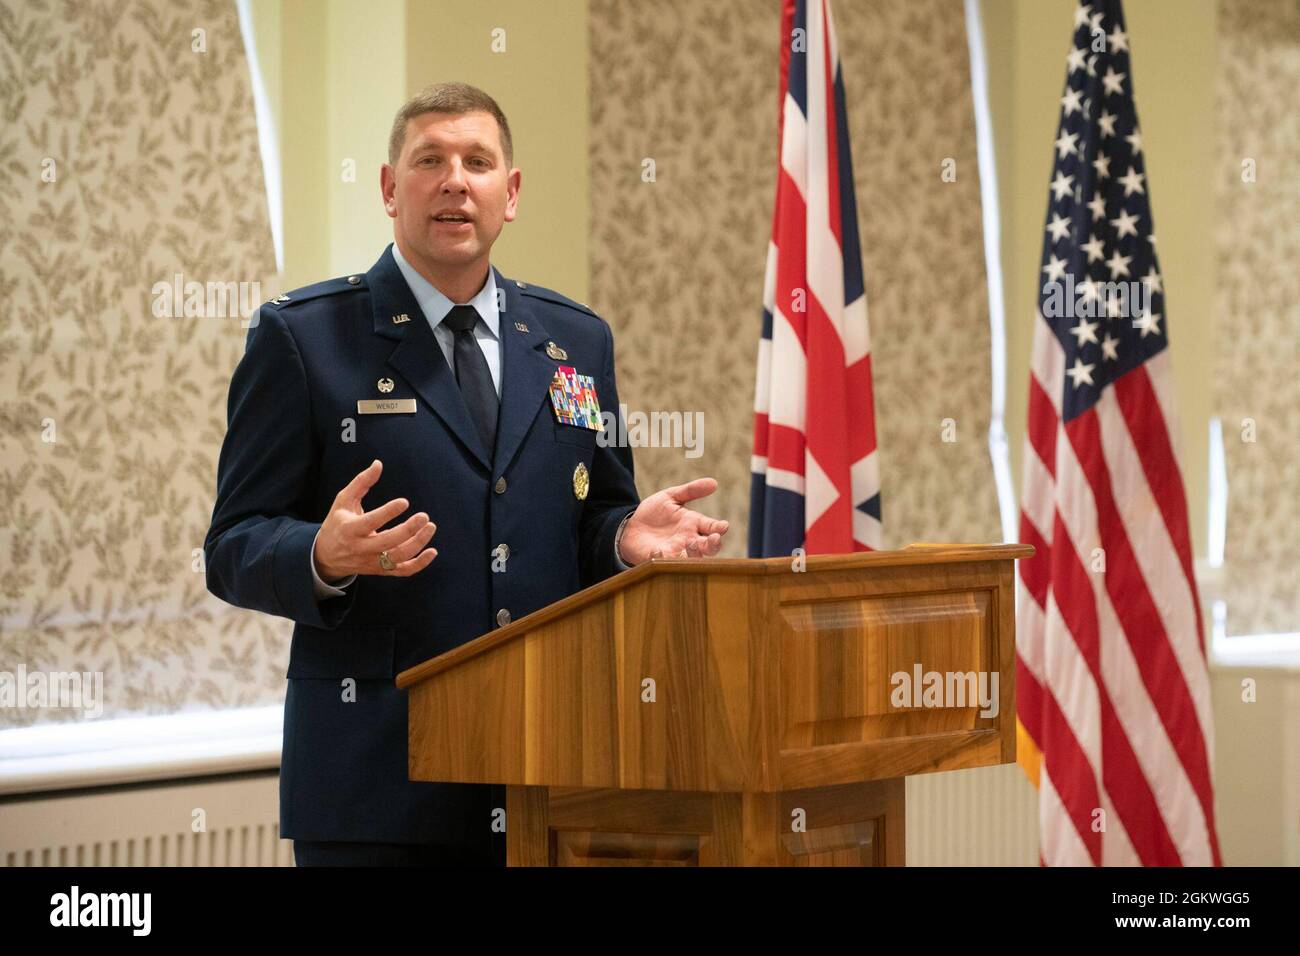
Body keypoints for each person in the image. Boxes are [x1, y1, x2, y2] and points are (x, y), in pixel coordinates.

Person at [203, 82, 729, 867]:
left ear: (508, 194)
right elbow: (231, 546)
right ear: (389, 188)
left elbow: (589, 518)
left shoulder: (574, 341)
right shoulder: (304, 340)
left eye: (478, 162)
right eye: (430, 161)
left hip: (547, 775)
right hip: (377, 788)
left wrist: (622, 539)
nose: (456, 179)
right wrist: (321, 554)